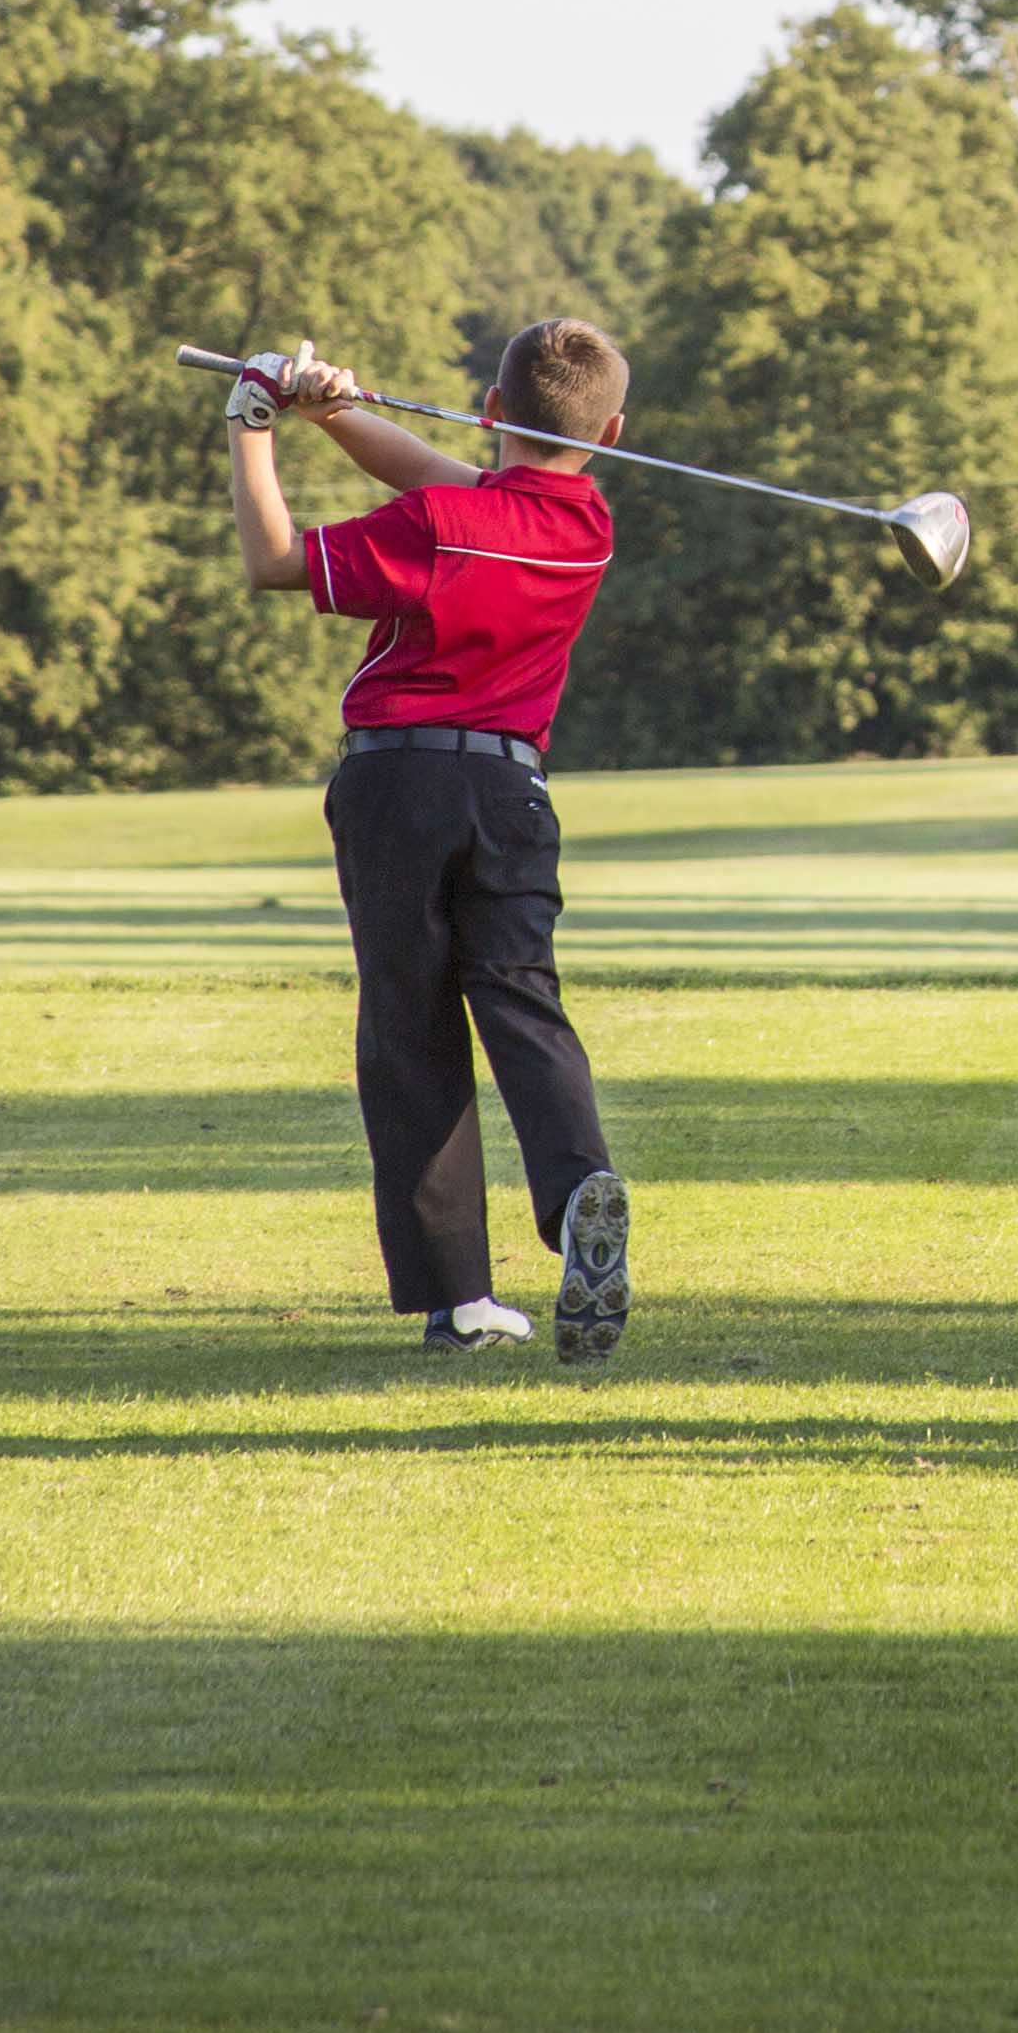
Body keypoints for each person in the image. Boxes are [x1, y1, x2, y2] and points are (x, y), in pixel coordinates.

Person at [222, 320, 638, 1359]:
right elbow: (466, 484)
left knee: (410, 1031)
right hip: (511, 794)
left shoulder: (436, 524)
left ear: (491, 409)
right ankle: (579, 1182)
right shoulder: (588, 524)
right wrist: (339, 415)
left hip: (397, 785)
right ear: (613, 430)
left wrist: (254, 430)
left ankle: (461, 1302)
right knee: (521, 998)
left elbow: (276, 562)